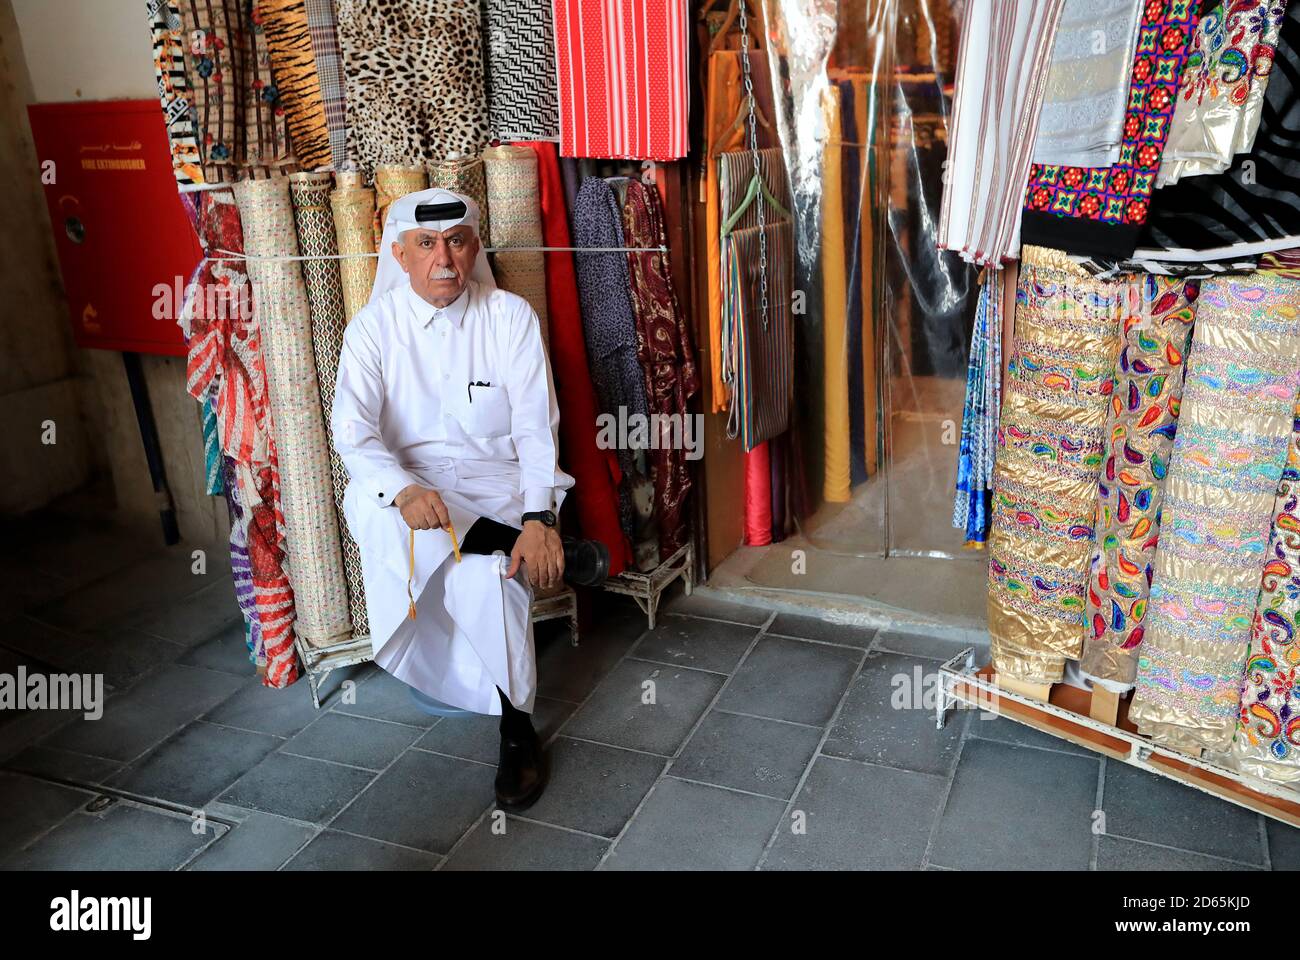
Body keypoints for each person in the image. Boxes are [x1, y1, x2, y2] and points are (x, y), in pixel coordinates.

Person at [332, 187, 606, 811]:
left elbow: (538, 428)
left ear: (474, 245)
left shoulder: (510, 316)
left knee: (491, 576)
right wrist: (400, 487)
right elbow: (353, 431)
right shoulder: (373, 328)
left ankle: (517, 730)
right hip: (407, 488)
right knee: (383, 506)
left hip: (492, 483)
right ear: (399, 254)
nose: (444, 260)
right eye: (426, 245)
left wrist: (538, 515)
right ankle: (532, 547)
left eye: (455, 241)